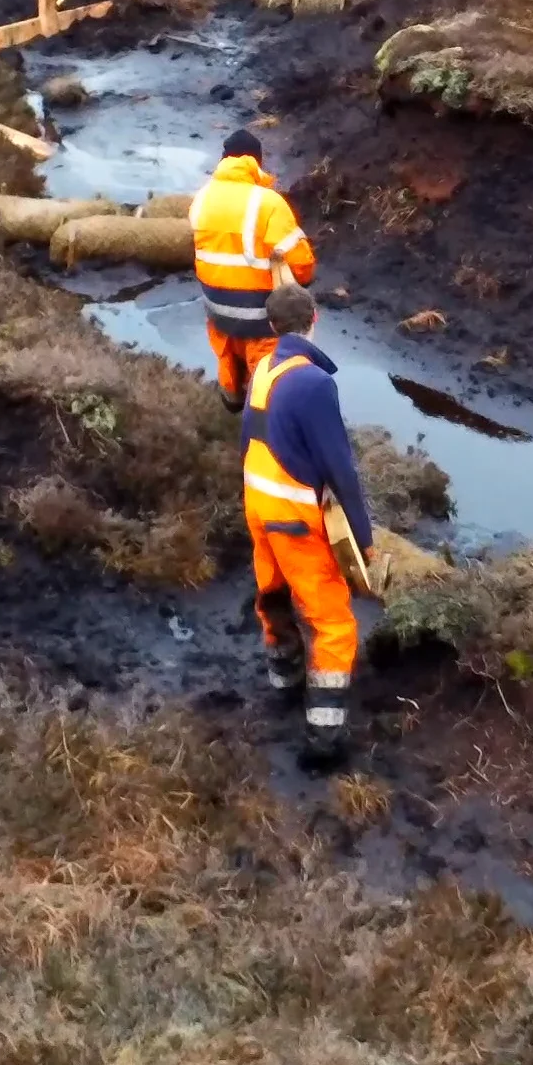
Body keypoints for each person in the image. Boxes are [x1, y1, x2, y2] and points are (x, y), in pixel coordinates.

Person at [239, 278, 374, 769]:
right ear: (314, 319)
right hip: (294, 520)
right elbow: (341, 468)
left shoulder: (264, 370)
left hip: (257, 506)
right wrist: (364, 540)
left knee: (273, 600)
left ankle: (283, 687)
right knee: (335, 625)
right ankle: (323, 739)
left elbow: (246, 442)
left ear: (273, 327)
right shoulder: (314, 382)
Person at [187, 126, 316, 410]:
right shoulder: (267, 202)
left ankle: (231, 402)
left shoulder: (202, 198)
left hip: (218, 311)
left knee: (229, 360)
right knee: (265, 379)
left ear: (224, 160)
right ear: (256, 162)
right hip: (259, 317)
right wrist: (301, 285)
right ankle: (262, 421)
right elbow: (302, 262)